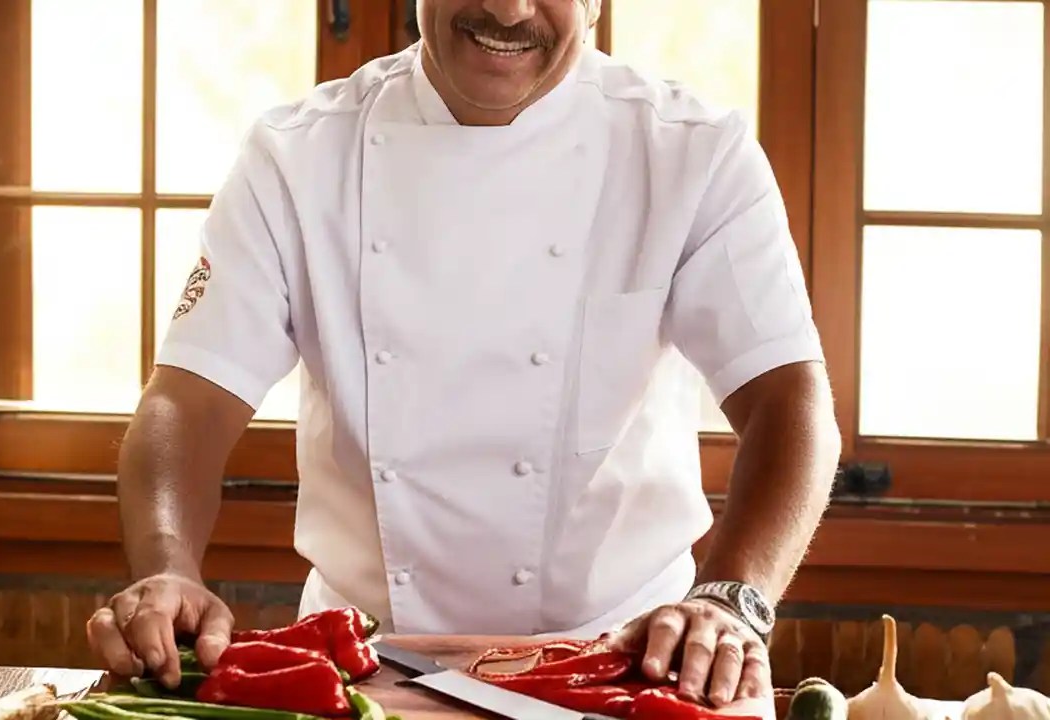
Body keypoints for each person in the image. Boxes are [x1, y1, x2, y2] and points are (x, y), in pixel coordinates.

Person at [86, 0, 841, 709]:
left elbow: (789, 401)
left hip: (629, 661)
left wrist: (731, 597)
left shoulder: (691, 151)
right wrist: (166, 567)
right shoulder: (297, 155)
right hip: (356, 666)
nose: (509, 11)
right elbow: (188, 399)